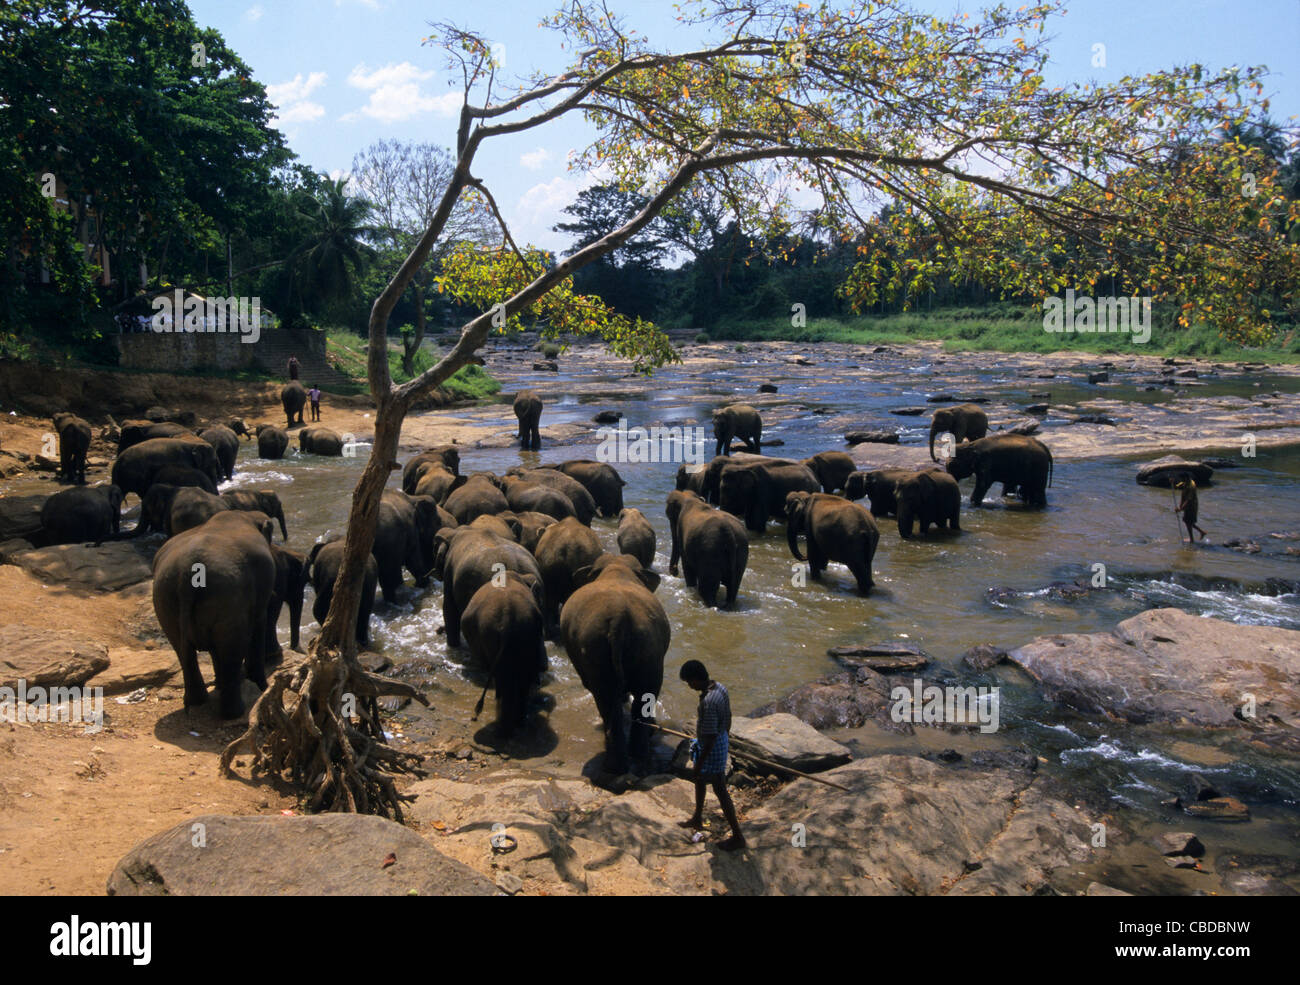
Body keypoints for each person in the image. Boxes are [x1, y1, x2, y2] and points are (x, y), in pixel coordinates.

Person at [677, 660, 745, 851]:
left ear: (696, 680)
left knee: (720, 790)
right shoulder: (720, 688)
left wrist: (698, 764)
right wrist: (725, 738)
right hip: (720, 738)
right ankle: (697, 818)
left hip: (712, 747)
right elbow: (728, 716)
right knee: (700, 781)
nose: (689, 686)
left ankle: (738, 836)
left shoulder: (708, 702)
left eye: (689, 682)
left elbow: (709, 737)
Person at [1173, 474, 1207, 543]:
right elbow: (1177, 486)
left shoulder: (1192, 486)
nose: (1182, 481)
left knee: (1188, 521)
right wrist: (1172, 482)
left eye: (1183, 479)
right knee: (1187, 521)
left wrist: (1180, 509)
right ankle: (1201, 532)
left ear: (1186, 478)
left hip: (1191, 506)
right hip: (1187, 504)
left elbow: (1188, 500)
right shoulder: (1185, 482)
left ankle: (1192, 539)